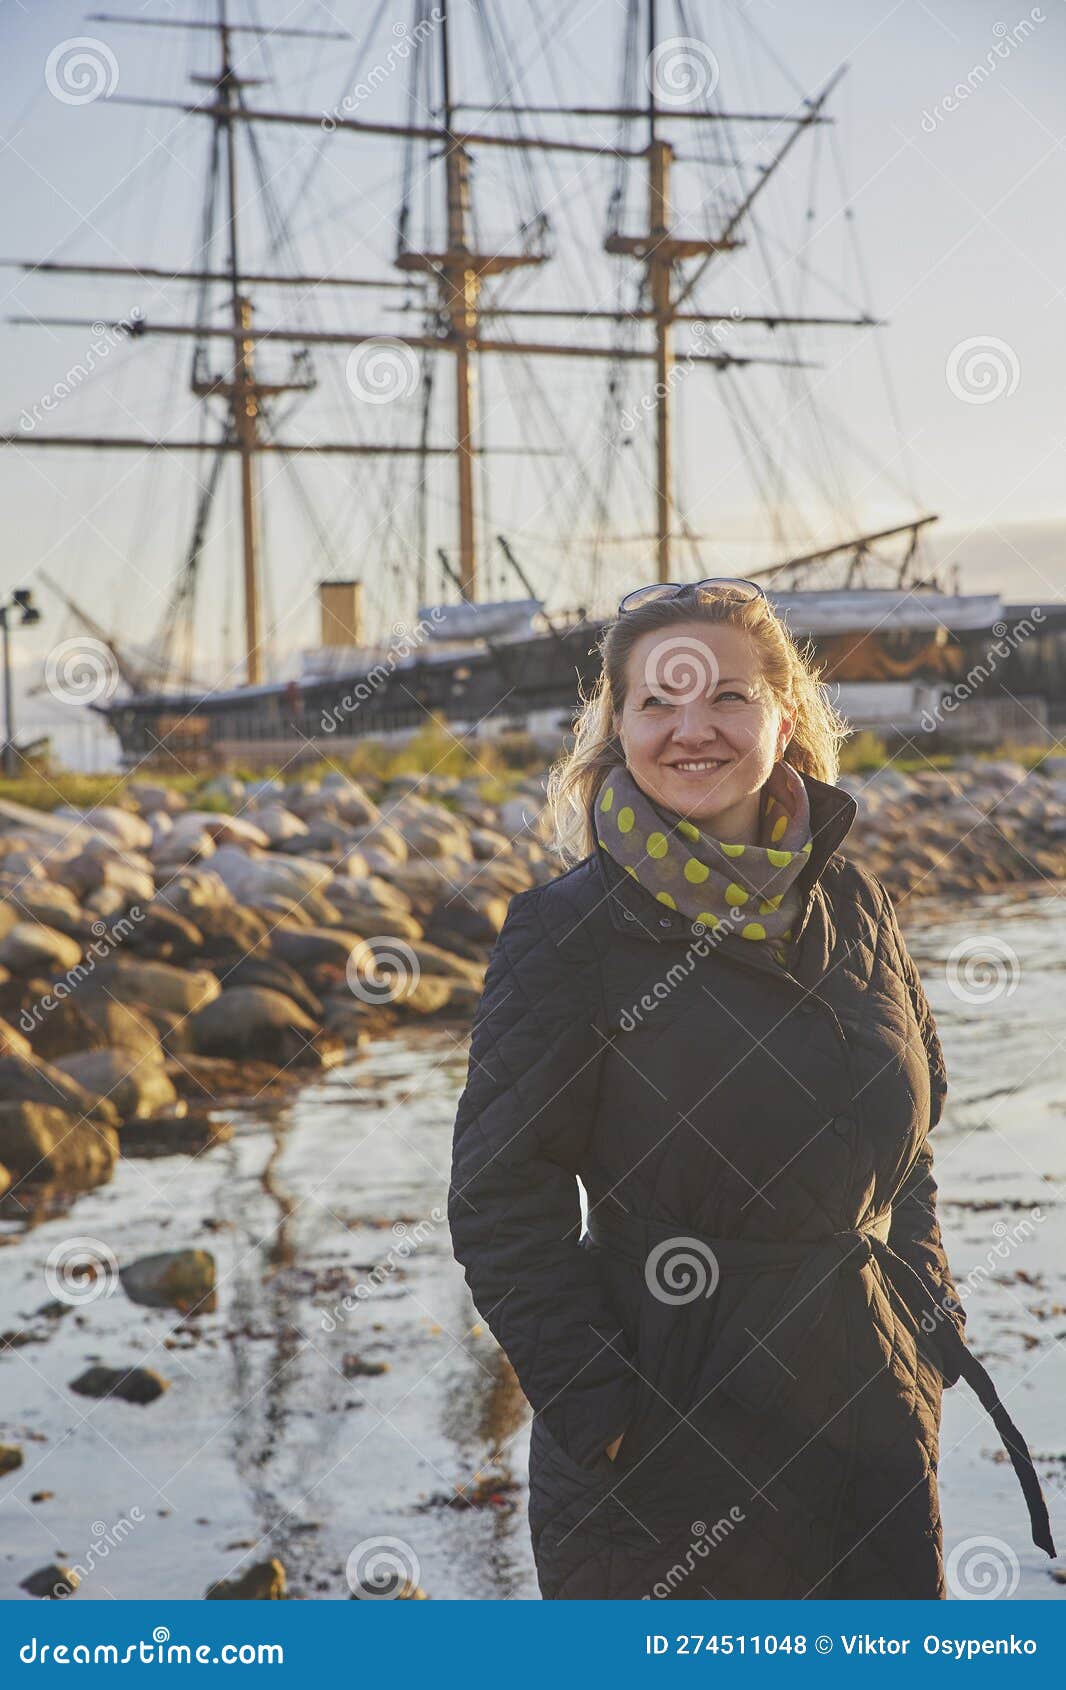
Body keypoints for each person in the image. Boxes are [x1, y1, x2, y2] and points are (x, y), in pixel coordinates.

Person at [447, 580, 1054, 1600]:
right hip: (666, 1444)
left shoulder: (852, 899)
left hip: (870, 1420)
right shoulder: (567, 934)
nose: (692, 730)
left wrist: (925, 1329)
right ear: (619, 726)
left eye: (726, 696)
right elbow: (502, 1200)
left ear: (783, 716)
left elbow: (911, 1148)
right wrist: (603, 1412)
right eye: (657, 702)